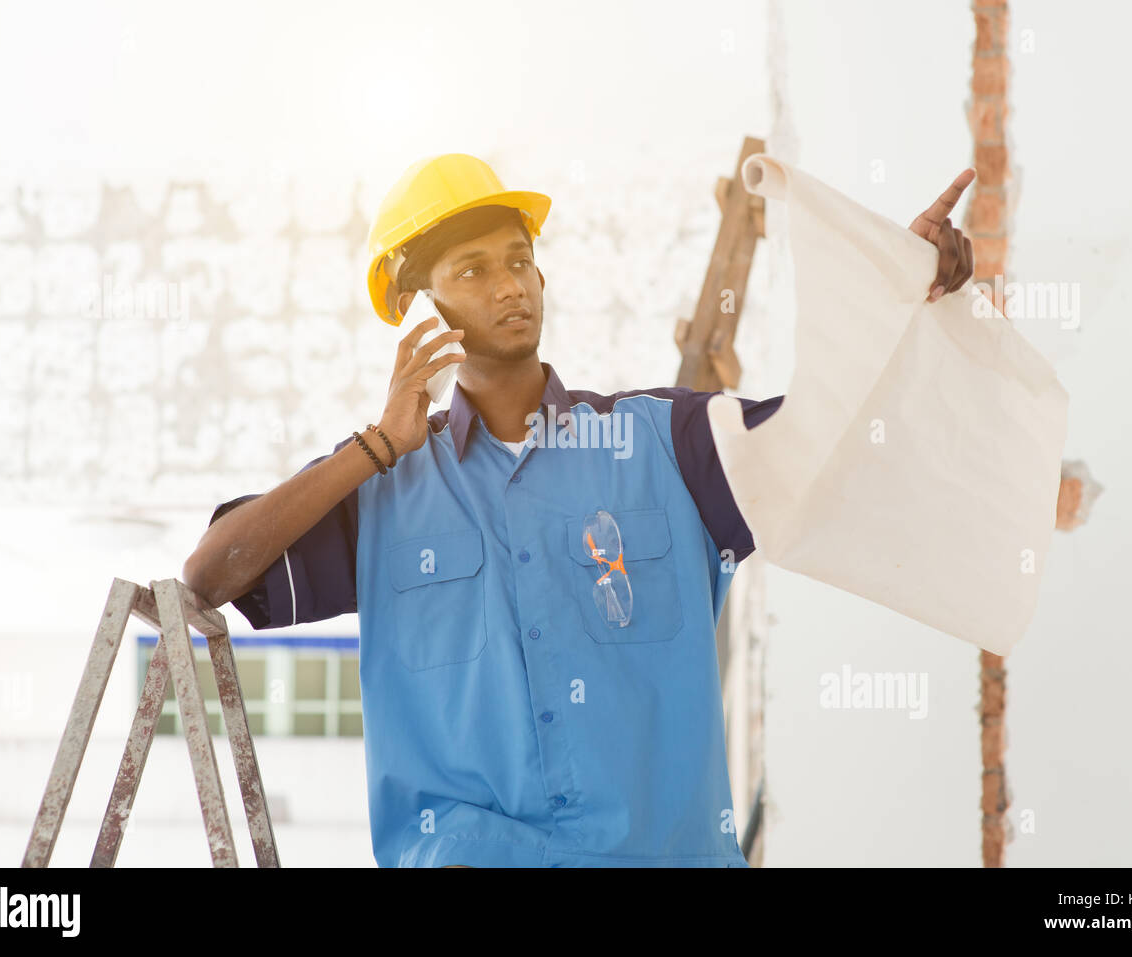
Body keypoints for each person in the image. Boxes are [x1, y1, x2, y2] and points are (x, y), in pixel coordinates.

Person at [182, 153, 974, 867]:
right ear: (421, 310)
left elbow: (824, 433)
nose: (509, 285)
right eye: (471, 270)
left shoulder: (669, 444)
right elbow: (211, 574)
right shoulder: (381, 496)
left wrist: (900, 290)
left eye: (520, 262)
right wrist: (374, 447)